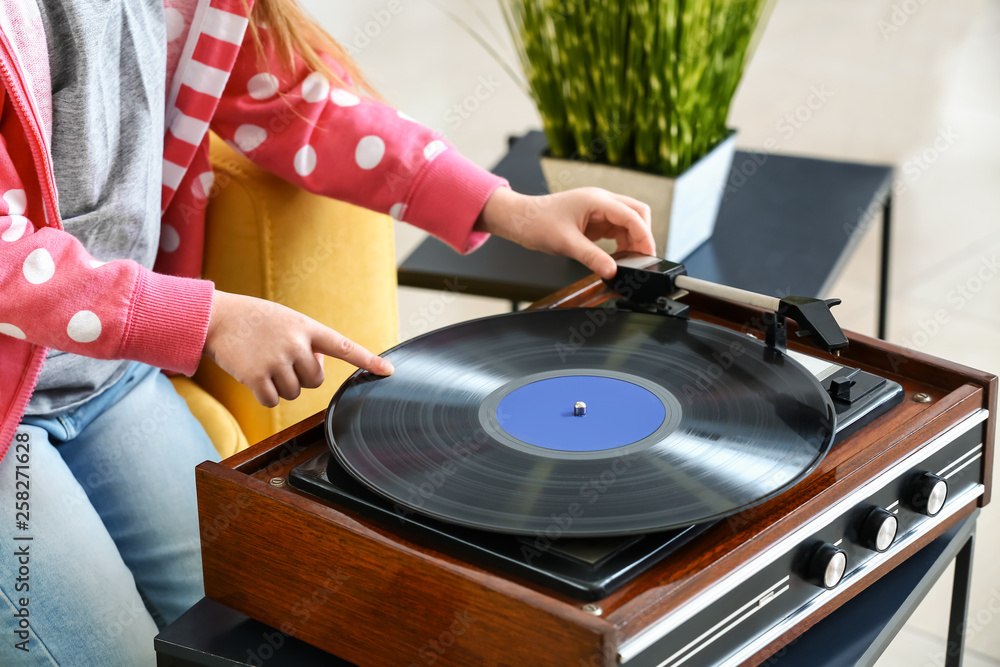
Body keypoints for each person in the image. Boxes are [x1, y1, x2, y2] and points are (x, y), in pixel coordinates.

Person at [0, 0, 654, 663]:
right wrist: (211, 318)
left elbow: (295, 106)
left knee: (267, 610)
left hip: (113, 376)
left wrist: (507, 207)